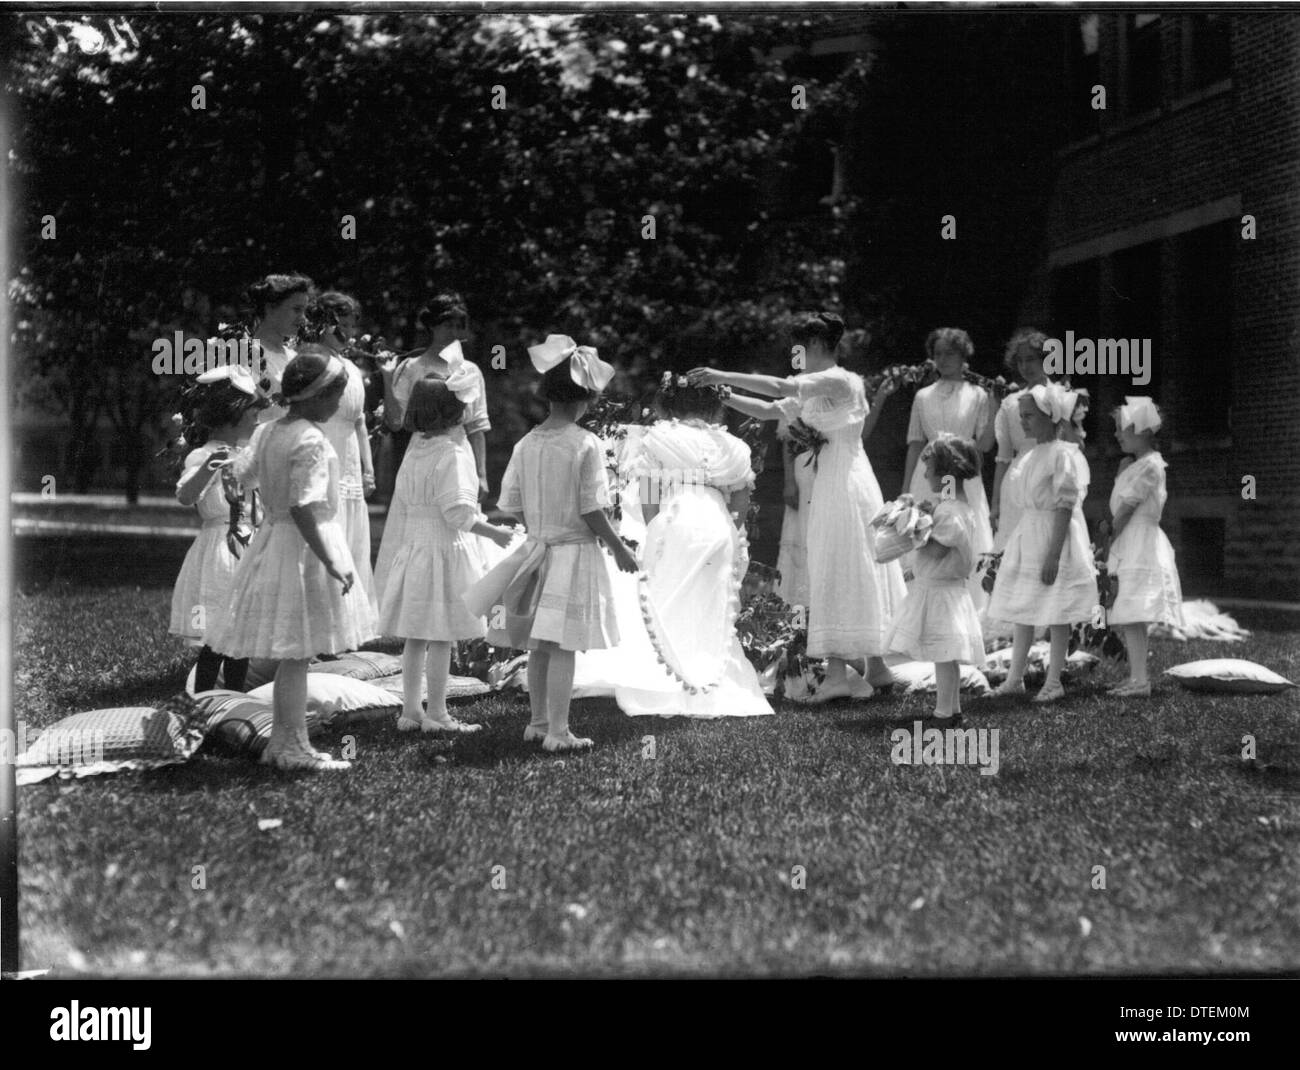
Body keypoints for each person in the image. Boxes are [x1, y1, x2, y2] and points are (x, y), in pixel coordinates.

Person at [689, 311, 907, 702]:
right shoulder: (813, 390)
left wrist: (721, 374)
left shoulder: (842, 380)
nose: (797, 355)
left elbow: (778, 386)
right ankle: (875, 668)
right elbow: (772, 409)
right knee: (842, 563)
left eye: (800, 348)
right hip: (832, 484)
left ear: (818, 346)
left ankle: (840, 673)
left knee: (842, 564)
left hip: (846, 483)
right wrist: (725, 395)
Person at [464, 335, 638, 751]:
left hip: (539, 551)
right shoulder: (585, 444)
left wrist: (541, 527)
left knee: (541, 644)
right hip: (573, 553)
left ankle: (539, 722)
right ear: (586, 399)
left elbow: (511, 502)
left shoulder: (528, 443)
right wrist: (617, 546)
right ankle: (557, 732)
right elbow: (592, 508)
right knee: (562, 646)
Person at [207, 347, 376, 770]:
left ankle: (284, 742)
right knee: (297, 654)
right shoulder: (311, 439)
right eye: (335, 397)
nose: (339, 405)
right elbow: (305, 506)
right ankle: (290, 747)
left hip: (274, 542)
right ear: (317, 397)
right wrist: (333, 561)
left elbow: (240, 477)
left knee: (294, 656)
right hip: (303, 547)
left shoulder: (268, 432)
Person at [592, 374, 773, 718]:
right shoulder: (734, 446)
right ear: (715, 404)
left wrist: (653, 526)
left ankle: (669, 685)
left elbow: (648, 491)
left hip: (676, 519)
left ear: (672, 402)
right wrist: (732, 532)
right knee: (712, 603)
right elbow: (741, 499)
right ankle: (712, 685)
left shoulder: (660, 436)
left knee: (667, 598)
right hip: (718, 525)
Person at [373, 374, 516, 732]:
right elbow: (457, 514)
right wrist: (494, 532)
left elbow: (407, 502)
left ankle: (410, 711)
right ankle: (437, 712)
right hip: (442, 552)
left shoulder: (415, 449)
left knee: (416, 635)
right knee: (441, 635)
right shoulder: (452, 454)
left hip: (415, 549)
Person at [985, 383, 1096, 703]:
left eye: (1030, 415)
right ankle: (1014, 678)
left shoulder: (1063, 455)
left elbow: (1064, 506)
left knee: (1057, 609)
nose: (1023, 422)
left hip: (1053, 535)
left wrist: (1053, 554)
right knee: (1025, 608)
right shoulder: (1031, 455)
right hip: (1030, 532)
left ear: (1051, 416)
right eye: (1021, 416)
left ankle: (1053, 681)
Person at [168, 365, 268, 691]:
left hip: (248, 549)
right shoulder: (202, 455)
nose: (257, 420)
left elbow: (261, 504)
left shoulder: (249, 455)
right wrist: (210, 466)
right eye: (253, 413)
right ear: (233, 414)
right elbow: (186, 495)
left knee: (241, 640)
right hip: (218, 553)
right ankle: (202, 706)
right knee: (215, 637)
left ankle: (234, 703)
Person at [885, 435, 986, 722]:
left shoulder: (950, 511)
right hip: (946, 590)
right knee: (947, 655)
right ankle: (952, 709)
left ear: (946, 473)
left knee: (943, 655)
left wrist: (909, 530)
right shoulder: (955, 506)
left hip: (942, 594)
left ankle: (944, 712)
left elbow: (938, 550)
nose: (926, 474)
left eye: (930, 469)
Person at [901, 328, 997, 609]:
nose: (943, 359)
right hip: (928, 474)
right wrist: (906, 489)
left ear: (963, 356)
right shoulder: (923, 396)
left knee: (959, 530)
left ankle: (969, 608)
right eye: (938, 353)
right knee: (928, 532)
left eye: (950, 353)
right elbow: (915, 443)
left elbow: (986, 444)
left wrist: (994, 405)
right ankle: (921, 606)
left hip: (962, 473)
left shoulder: (977, 395)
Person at [1104, 396, 1184, 697]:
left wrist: (1110, 537)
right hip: (1129, 540)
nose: (1117, 434)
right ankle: (1137, 677)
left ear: (1144, 431)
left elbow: (1126, 510)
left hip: (1138, 542)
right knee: (1129, 615)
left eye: (1122, 429)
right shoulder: (1132, 465)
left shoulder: (1151, 466)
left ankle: (1141, 680)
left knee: (1134, 611)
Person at [380, 293, 490, 499]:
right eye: (448, 325)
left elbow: (477, 426)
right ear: (432, 326)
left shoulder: (470, 370)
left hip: (460, 455)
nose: (455, 332)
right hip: (422, 454)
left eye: (459, 326)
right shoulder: (412, 367)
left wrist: (481, 475)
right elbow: (395, 423)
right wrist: (388, 378)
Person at [310, 290, 378, 615]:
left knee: (353, 542)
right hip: (325, 461)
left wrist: (368, 468)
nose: (349, 333)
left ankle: (348, 620)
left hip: (351, 464)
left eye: (353, 326)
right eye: (343, 325)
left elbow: (360, 421)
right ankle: (325, 619)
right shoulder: (312, 361)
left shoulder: (351, 366)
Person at [991, 328, 1054, 551]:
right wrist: (995, 504)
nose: (1025, 367)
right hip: (1017, 479)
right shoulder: (1010, 403)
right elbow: (1003, 458)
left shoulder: (1059, 396)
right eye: (1020, 361)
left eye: (1031, 360)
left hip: (1051, 473)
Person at [247, 273, 313, 424]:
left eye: (304, 311)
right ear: (270, 308)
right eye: (297, 309)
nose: (304, 319)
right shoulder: (246, 353)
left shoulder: (294, 357)